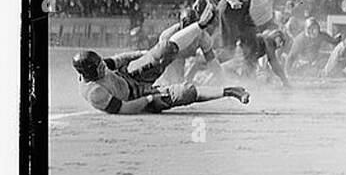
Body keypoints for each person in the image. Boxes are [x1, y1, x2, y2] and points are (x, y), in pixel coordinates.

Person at [73, 50, 249, 114]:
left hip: (128, 77)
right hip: (135, 97)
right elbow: (124, 109)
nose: (103, 67)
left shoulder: (99, 65)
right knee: (185, 92)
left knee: (164, 49)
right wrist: (149, 99)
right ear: (88, 73)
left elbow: (118, 60)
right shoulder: (95, 92)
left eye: (102, 64)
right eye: (99, 68)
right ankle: (230, 91)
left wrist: (142, 54)